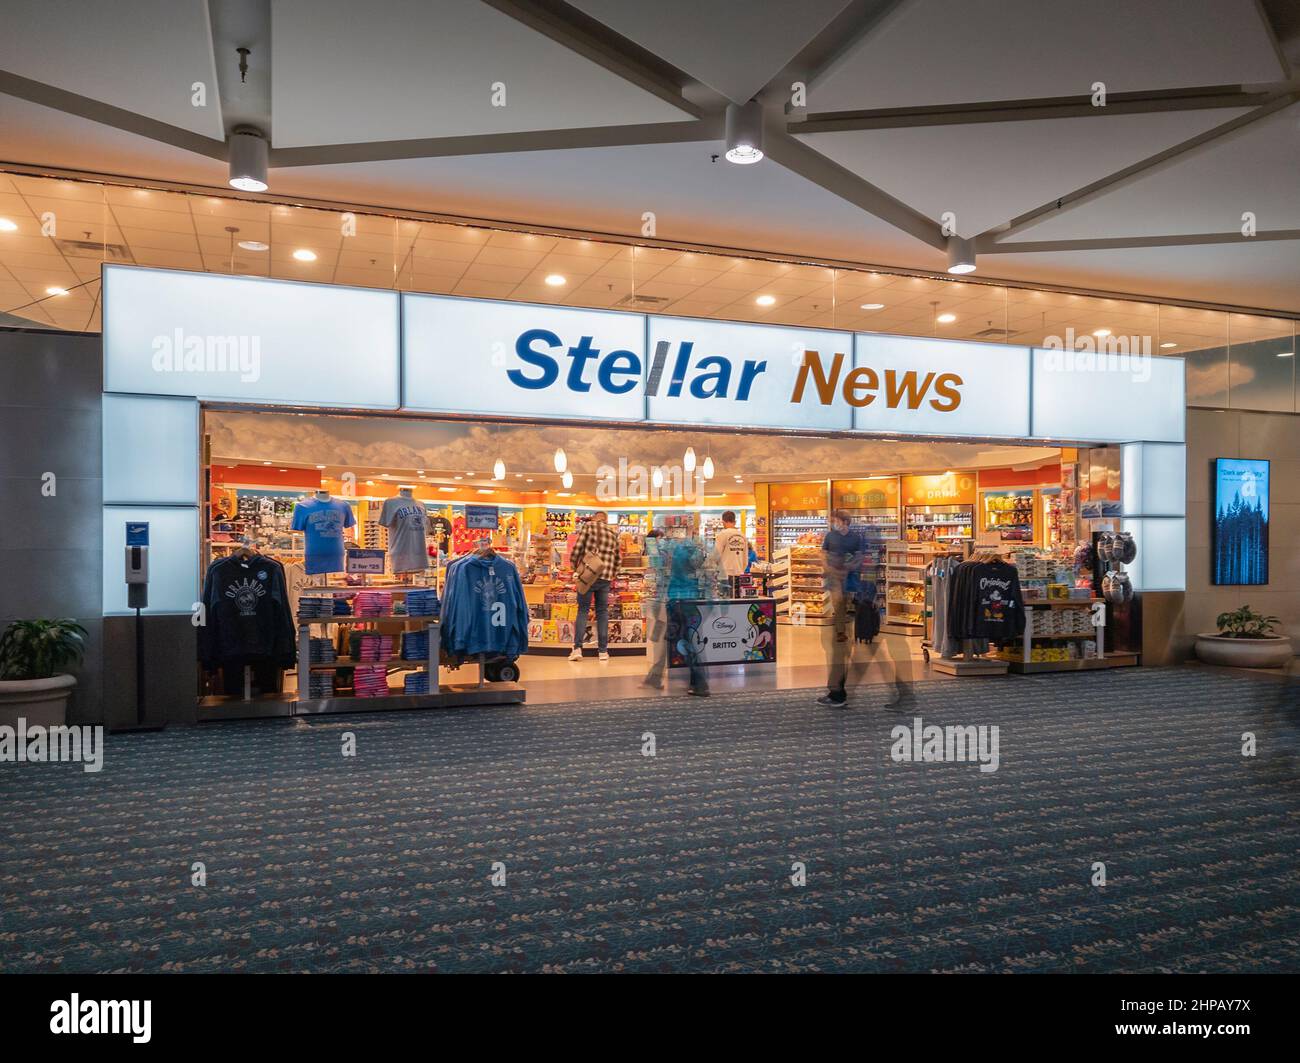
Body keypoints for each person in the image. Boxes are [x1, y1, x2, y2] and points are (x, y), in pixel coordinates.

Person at [664, 530, 711, 696]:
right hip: (693, 603)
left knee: (684, 642)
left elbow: (673, 580)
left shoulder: (677, 554)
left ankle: (700, 682)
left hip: (678, 602)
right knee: (692, 640)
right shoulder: (697, 555)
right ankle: (696, 681)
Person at [568, 513, 620, 662]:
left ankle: (577, 648)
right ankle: (603, 651)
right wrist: (612, 574)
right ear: (605, 520)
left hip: (587, 575)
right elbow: (618, 559)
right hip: (605, 577)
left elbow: (578, 548)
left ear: (595, 518)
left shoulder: (589, 526)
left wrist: (574, 567)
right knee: (602, 612)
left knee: (583, 610)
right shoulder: (613, 533)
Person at [642, 529, 668, 687]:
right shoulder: (659, 552)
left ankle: (655, 675)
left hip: (661, 598)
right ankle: (655, 675)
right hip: (664, 598)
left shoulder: (656, 552)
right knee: (664, 637)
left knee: (662, 636)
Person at [712, 510, 749, 594]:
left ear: (723, 522)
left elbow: (716, 555)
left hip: (724, 573)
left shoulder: (722, 534)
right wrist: (740, 569)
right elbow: (745, 558)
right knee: (736, 600)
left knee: (724, 601)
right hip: (739, 573)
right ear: (735, 521)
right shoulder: (743, 536)